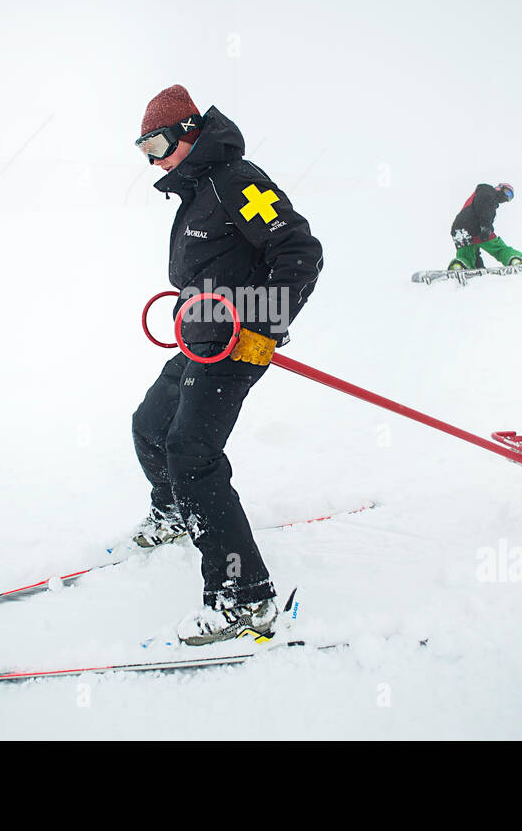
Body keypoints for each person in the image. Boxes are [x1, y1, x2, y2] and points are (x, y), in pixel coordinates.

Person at [129, 85, 324, 646]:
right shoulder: (197, 188)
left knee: (191, 453)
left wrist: (262, 326)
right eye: (144, 148)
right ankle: (173, 513)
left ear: (190, 132)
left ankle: (244, 599)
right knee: (150, 425)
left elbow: (299, 253)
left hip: (236, 344)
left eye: (160, 143)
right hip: (202, 338)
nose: (154, 159)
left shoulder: (238, 180)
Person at [449, 182, 522, 270]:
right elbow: (483, 208)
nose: (507, 197)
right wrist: (486, 228)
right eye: (507, 193)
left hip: (458, 230)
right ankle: (514, 259)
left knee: (467, 256)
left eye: (510, 197)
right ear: (499, 188)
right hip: (475, 226)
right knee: (498, 249)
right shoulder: (487, 191)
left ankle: (459, 266)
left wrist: (480, 267)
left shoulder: (482, 194)